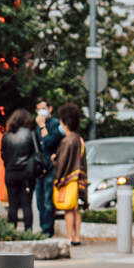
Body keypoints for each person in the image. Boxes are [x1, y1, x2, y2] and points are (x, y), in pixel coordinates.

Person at [51, 102, 87, 245]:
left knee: (68, 210)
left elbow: (62, 162)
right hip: (79, 179)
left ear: (65, 123)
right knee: (76, 209)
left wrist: (54, 161)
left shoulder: (67, 141)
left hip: (69, 180)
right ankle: (77, 237)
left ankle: (69, 237)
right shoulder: (79, 139)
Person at [0, 107, 38, 231]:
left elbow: (3, 155)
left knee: (12, 204)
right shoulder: (30, 134)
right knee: (27, 204)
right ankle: (28, 231)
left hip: (10, 173)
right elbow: (37, 153)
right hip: (27, 174)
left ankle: (11, 231)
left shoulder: (6, 135)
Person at [33, 98, 62, 233]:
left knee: (48, 200)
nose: (41, 112)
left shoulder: (55, 124)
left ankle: (47, 230)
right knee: (39, 200)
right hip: (39, 168)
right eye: (39, 109)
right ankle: (42, 227)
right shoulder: (36, 126)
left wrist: (43, 127)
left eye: (43, 108)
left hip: (51, 167)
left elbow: (49, 142)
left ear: (50, 109)